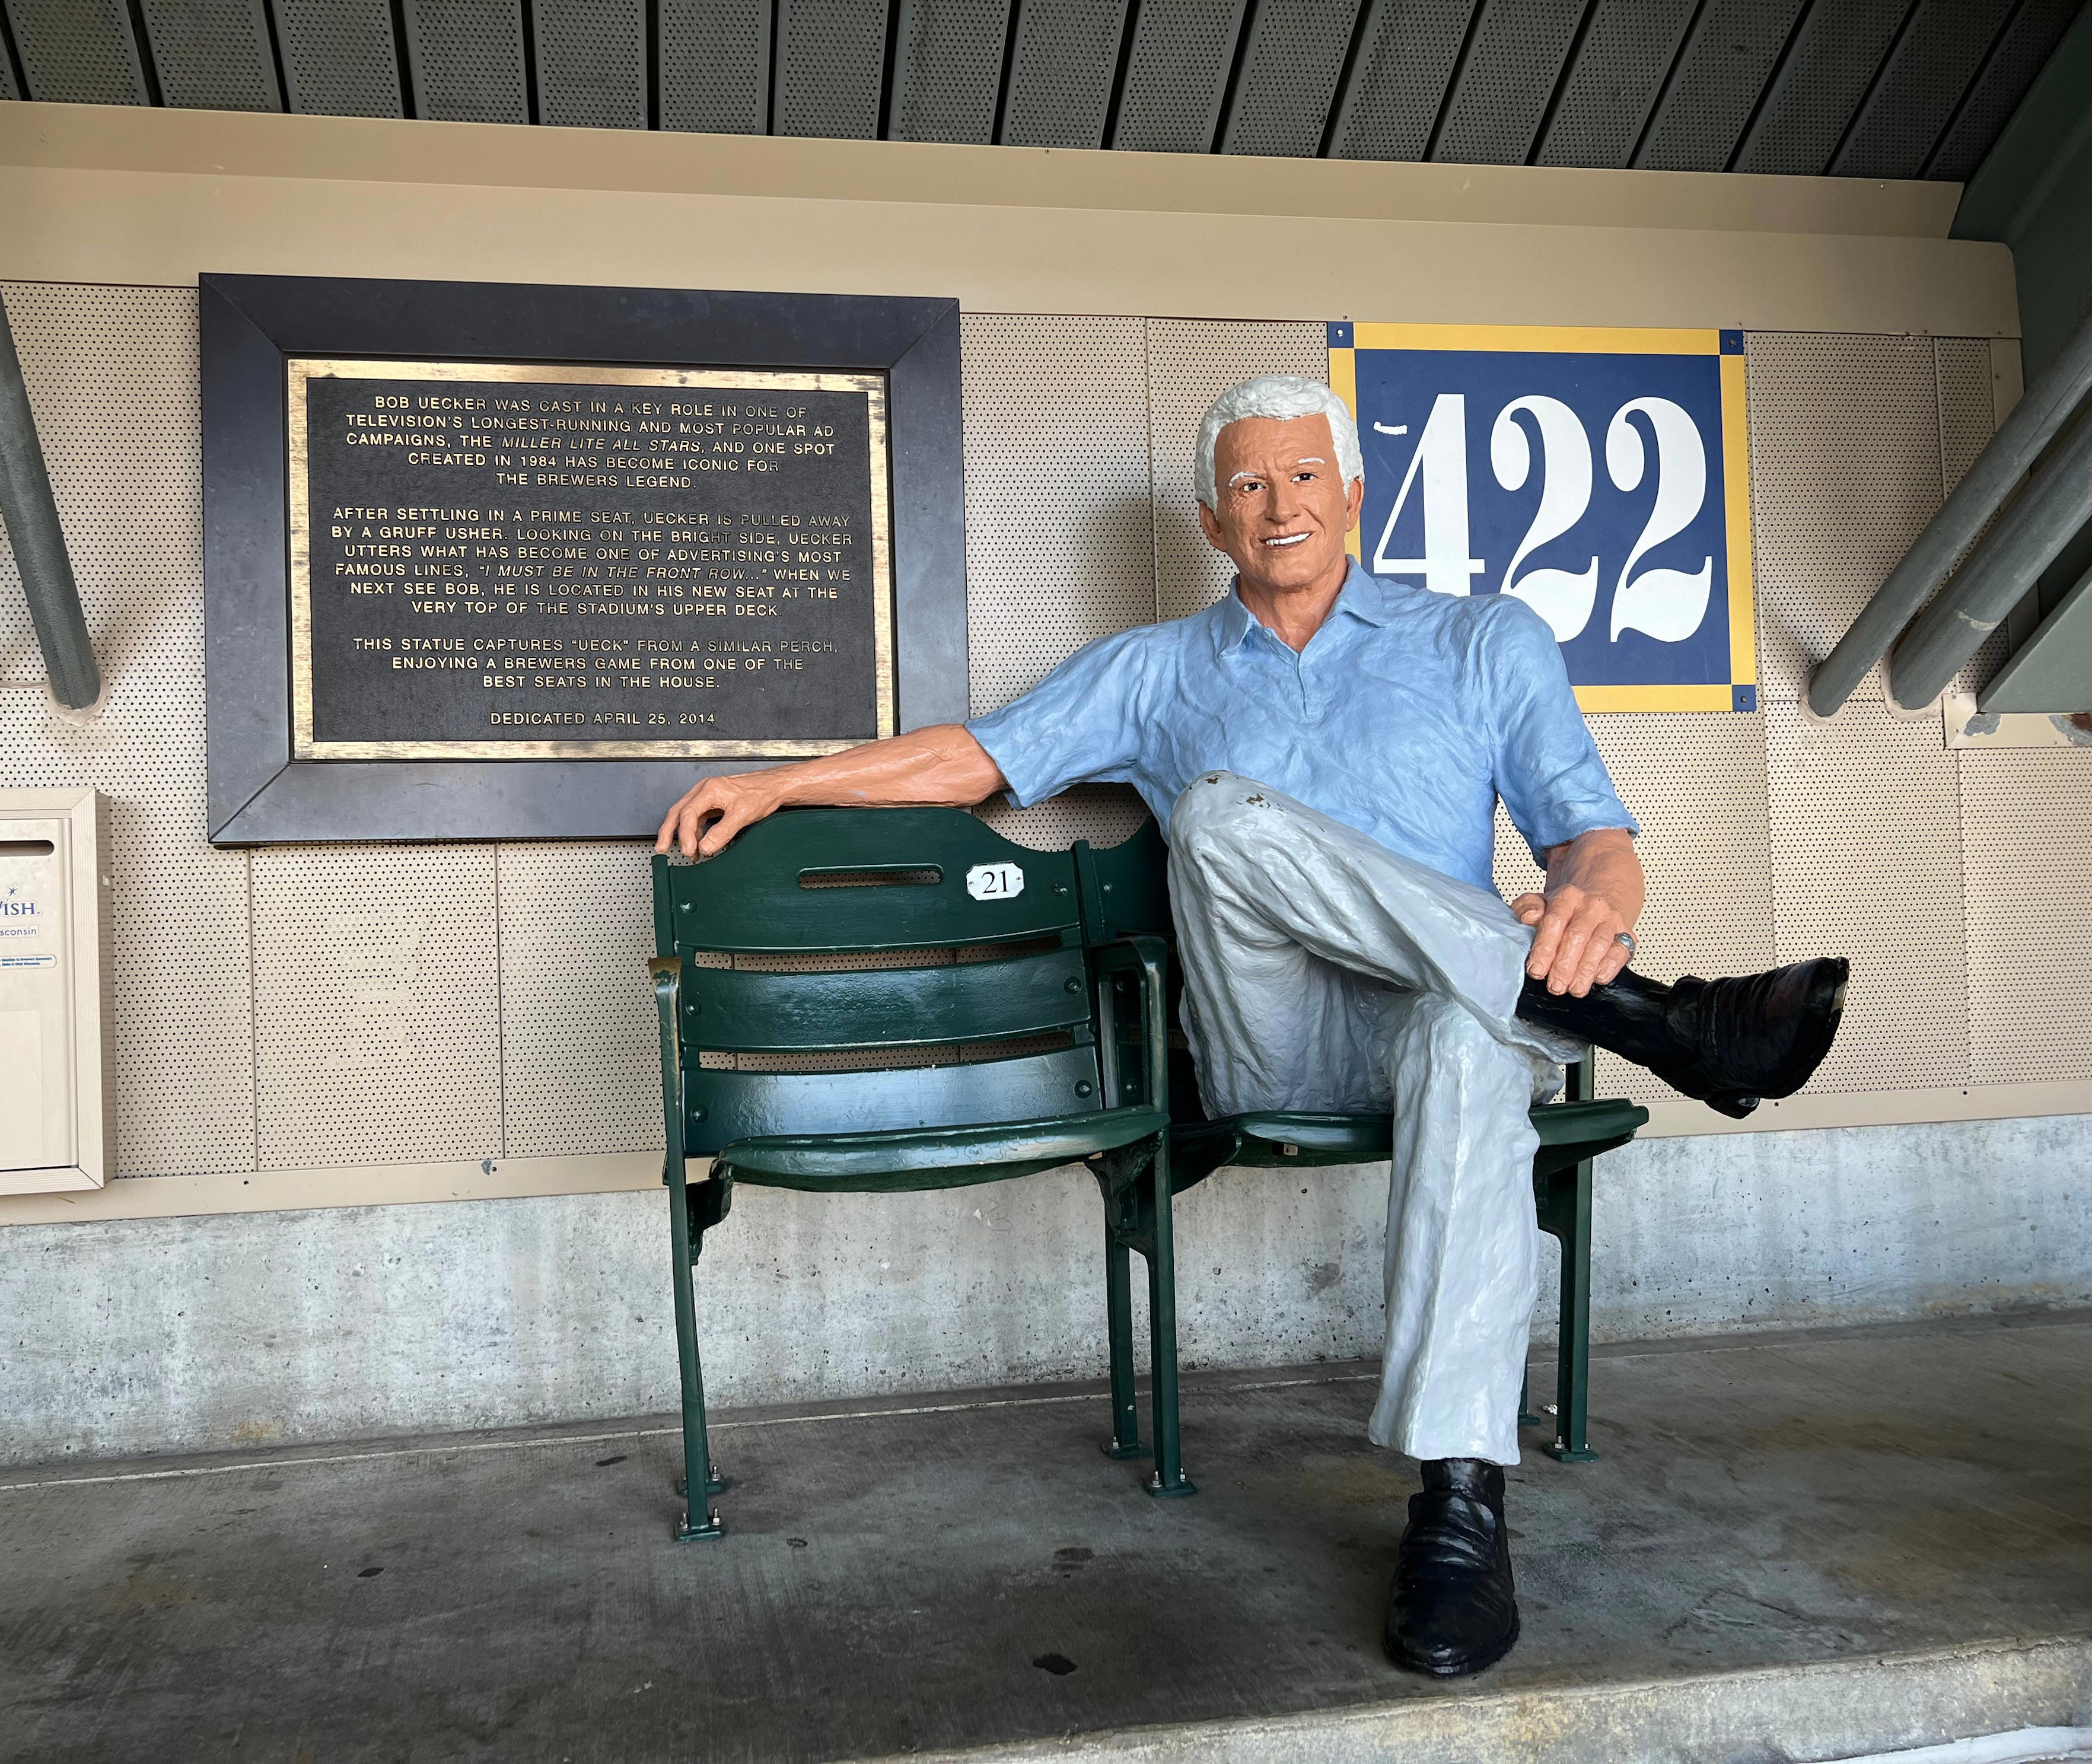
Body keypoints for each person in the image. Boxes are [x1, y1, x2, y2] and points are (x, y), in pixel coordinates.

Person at [656, 376, 1845, 1679]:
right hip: (1269, 1040)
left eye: (1303, 475)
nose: (1281, 506)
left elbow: (1592, 837)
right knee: (1222, 811)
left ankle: (1459, 1505)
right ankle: (1661, 1025)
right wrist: (778, 784)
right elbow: (977, 757)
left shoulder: (1482, 638)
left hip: (1437, 1025)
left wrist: (1593, 915)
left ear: (1354, 492)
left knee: (1467, 1033)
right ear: (1219, 526)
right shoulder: (1159, 670)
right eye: (1248, 486)